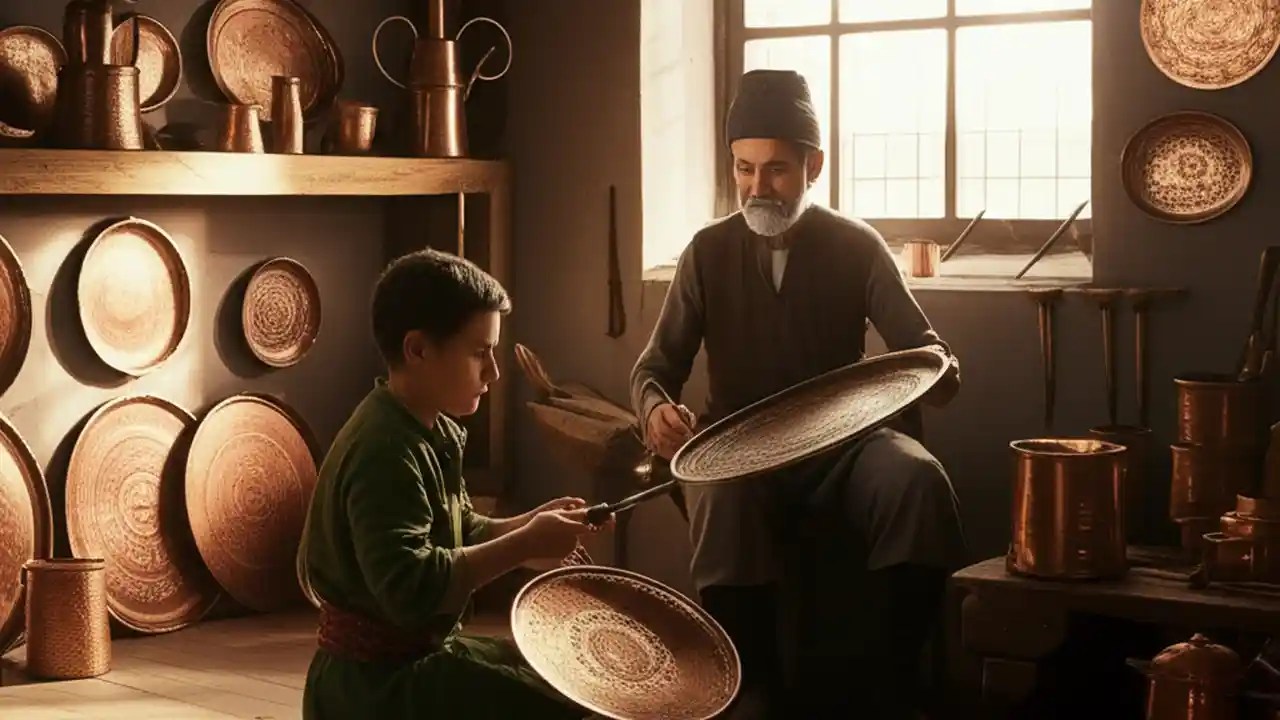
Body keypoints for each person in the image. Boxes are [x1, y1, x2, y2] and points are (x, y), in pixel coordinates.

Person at [630, 69, 967, 719]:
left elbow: (926, 348)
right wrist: (656, 411)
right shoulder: (705, 252)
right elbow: (654, 367)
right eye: (744, 169)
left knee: (916, 481)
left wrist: (941, 370)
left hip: (847, 445)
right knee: (721, 497)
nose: (759, 187)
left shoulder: (857, 245)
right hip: (737, 449)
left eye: (777, 169)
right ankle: (750, 687)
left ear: (815, 163)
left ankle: (893, 682)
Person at [297, 248, 612, 720]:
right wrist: (525, 542)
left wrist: (531, 529)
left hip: (412, 661)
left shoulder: (429, 430)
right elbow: (412, 589)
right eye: (479, 353)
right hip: (373, 689)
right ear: (418, 349)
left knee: (562, 672)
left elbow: (459, 528)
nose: (494, 373)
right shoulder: (385, 449)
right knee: (564, 706)